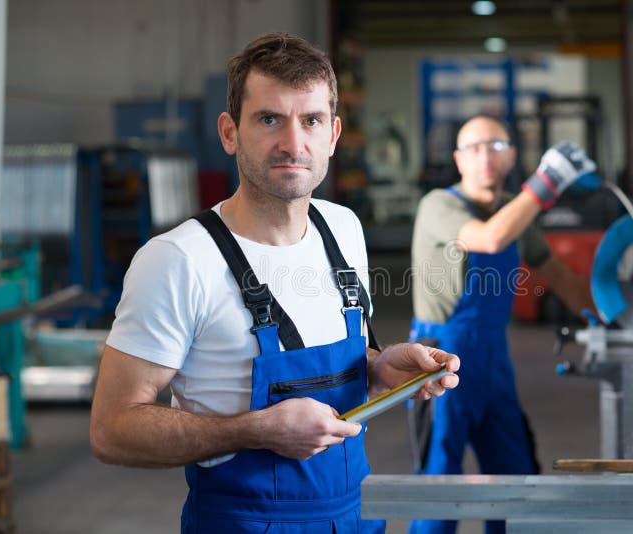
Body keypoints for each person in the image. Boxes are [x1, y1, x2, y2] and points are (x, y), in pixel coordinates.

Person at [89, 32, 460, 533]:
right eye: (269, 119)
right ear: (229, 132)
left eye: (311, 120)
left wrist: (381, 367)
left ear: (333, 135)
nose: (293, 143)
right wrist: (257, 430)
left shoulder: (343, 230)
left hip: (354, 518)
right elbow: (112, 430)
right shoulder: (178, 260)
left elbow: (340, 359)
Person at [408, 115, 596, 534]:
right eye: (474, 148)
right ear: (458, 159)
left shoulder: (515, 210)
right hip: (438, 361)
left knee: (515, 480)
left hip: (493, 363)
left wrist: (605, 320)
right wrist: (547, 183)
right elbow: (490, 237)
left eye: (495, 146)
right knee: (439, 484)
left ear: (512, 155)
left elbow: (558, 275)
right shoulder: (439, 205)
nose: (485, 157)